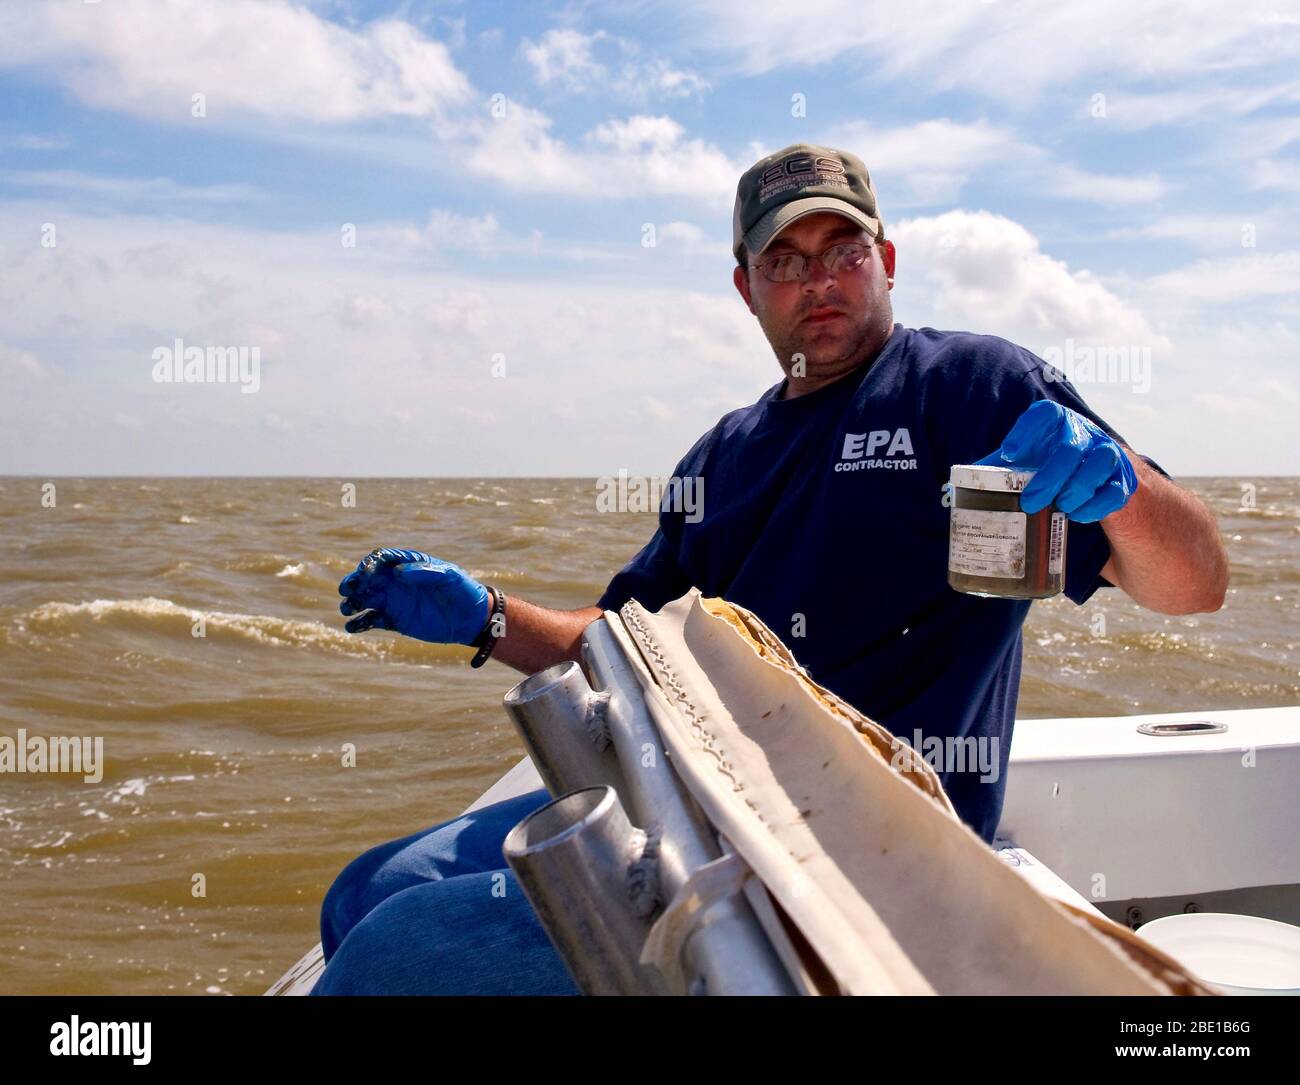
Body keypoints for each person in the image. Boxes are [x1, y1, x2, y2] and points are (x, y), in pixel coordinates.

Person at [312, 143, 1229, 995]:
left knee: (388, 960)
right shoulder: (722, 456)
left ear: (889, 260)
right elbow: (624, 644)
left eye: (844, 248)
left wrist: (1124, 492)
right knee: (364, 890)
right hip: (677, 794)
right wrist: (485, 615)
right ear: (747, 288)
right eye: (784, 262)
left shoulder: (970, 387)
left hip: (853, 855)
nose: (818, 279)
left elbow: (1196, 585)